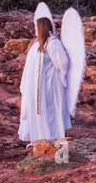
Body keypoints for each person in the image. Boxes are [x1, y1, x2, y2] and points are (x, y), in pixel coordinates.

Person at [18, 11, 72, 145]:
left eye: (36, 27)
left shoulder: (53, 44)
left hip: (50, 86)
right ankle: (41, 139)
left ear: (42, 28)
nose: (34, 30)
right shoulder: (37, 45)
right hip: (38, 87)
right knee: (40, 111)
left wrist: (57, 77)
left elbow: (63, 63)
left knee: (51, 110)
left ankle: (54, 138)